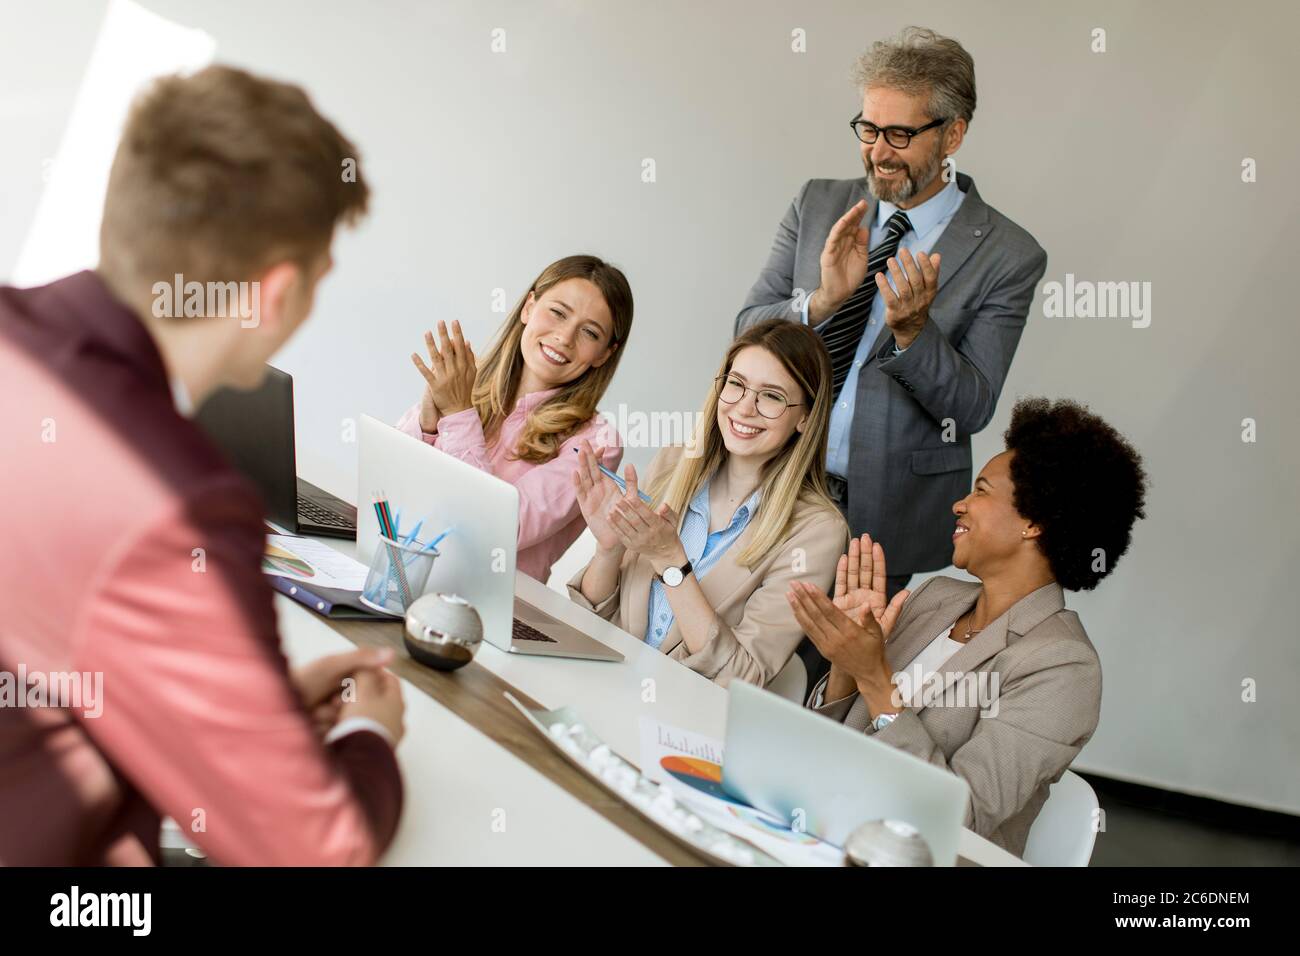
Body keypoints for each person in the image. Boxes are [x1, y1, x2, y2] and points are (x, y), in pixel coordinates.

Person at [0, 66, 405, 865]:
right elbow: (315, 851)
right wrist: (369, 735)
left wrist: (248, 714)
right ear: (277, 292)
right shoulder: (177, 503)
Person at [736, 26, 1048, 604]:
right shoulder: (817, 202)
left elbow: (973, 405)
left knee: (828, 683)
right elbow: (747, 332)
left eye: (900, 134)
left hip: (884, 517)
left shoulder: (1009, 254)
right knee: (730, 655)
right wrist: (822, 301)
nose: (878, 151)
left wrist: (913, 333)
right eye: (869, 128)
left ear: (952, 134)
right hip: (773, 481)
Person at [787, 397, 1148, 856]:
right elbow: (833, 741)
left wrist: (877, 678)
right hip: (829, 825)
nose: (960, 503)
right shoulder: (937, 597)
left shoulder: (1064, 666)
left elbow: (963, 815)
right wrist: (846, 663)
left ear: (1033, 522)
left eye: (980, 490)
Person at [568, 319, 848, 688]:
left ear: (805, 418)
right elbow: (589, 619)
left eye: (772, 396)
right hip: (598, 679)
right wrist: (608, 549)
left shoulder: (818, 532)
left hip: (682, 716)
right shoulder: (671, 465)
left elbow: (741, 677)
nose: (745, 408)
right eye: (736, 385)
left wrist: (672, 562)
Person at [396, 255, 633, 582]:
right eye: (558, 312)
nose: (564, 337)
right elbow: (392, 486)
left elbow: (496, 529)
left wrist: (457, 415)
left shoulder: (597, 443)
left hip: (487, 610)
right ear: (528, 307)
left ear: (605, 353)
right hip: (404, 570)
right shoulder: (468, 386)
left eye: (589, 333)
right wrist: (427, 423)